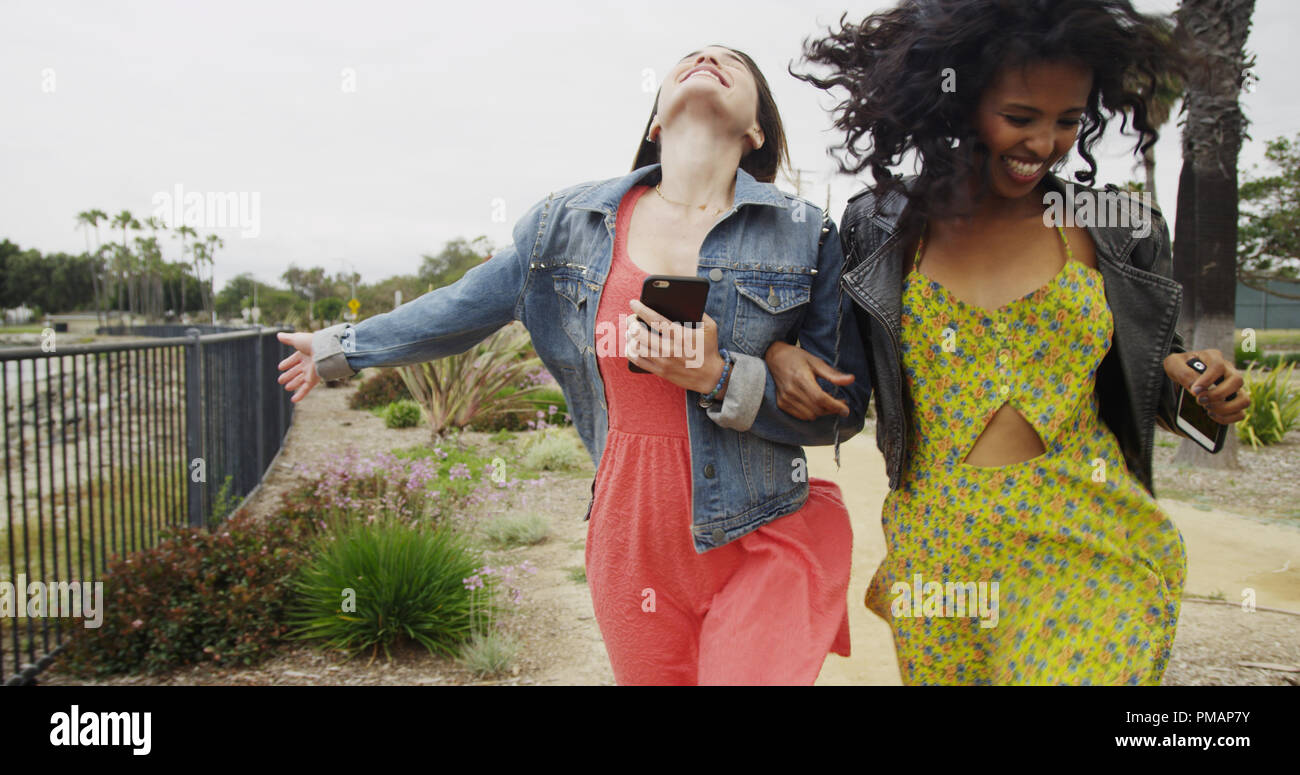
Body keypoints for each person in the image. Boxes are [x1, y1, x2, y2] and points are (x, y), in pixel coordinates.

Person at [275, 45, 872, 685]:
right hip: (630, 540)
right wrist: (343, 346)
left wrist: (720, 376)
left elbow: (841, 412)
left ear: (756, 130)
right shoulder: (568, 226)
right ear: (656, 125)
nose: (705, 57)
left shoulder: (807, 233)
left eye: (731, 60)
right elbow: (462, 306)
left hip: (762, 531)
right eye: (688, 58)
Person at [764, 0, 1251, 685]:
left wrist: (1200, 385)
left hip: (1089, 537)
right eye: (1020, 117)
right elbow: (843, 389)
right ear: (956, 104)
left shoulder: (1113, 225)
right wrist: (778, 355)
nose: (1045, 143)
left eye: (1068, 121)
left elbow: (1158, 369)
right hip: (939, 547)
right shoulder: (878, 225)